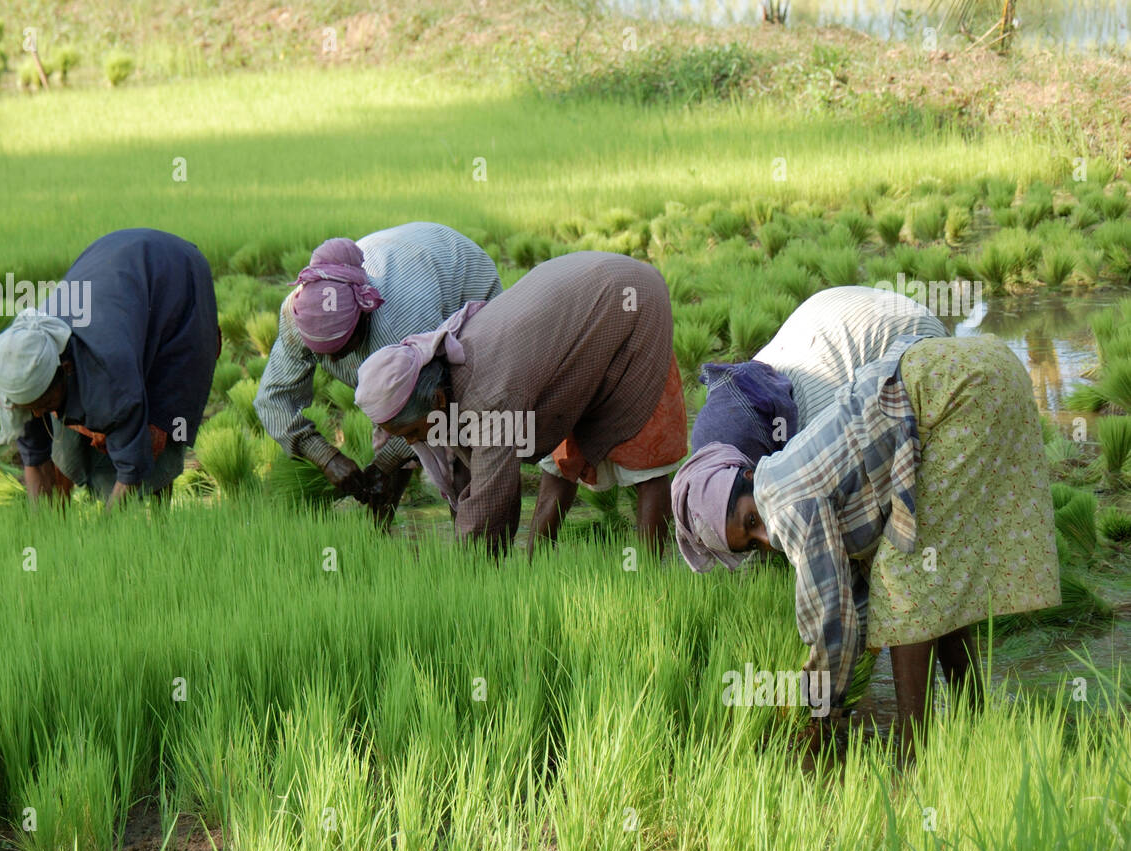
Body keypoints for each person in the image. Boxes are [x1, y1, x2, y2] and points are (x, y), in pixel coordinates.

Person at [671, 334, 1061, 751]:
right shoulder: (787, 470)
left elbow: (832, 622)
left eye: (750, 520)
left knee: (902, 589)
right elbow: (854, 603)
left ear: (748, 476)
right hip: (981, 364)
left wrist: (821, 718)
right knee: (931, 585)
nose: (766, 536)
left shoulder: (785, 501)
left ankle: (914, 762)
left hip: (959, 388)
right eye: (751, 543)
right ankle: (977, 724)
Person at [354, 251, 679, 556]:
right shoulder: (445, 372)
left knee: (643, 460)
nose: (412, 442)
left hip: (631, 301)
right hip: (577, 311)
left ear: (436, 398)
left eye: (411, 431)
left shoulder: (488, 398)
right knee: (560, 461)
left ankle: (647, 572)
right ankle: (535, 566)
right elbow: (476, 472)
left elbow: (493, 498)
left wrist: (465, 574)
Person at [254, 222, 502, 522]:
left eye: (343, 347)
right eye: (324, 354)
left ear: (364, 313)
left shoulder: (402, 320)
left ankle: (473, 547)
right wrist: (325, 456)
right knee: (392, 435)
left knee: (465, 439)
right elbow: (273, 399)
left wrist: (387, 459)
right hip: (402, 272)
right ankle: (379, 535)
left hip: (461, 282)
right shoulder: (300, 314)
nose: (334, 359)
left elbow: (435, 411)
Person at [0, 229, 219, 507]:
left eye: (43, 401)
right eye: (28, 406)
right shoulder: (20, 367)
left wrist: (103, 535)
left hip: (175, 285)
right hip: (110, 271)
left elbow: (131, 469)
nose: (36, 412)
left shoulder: (108, 373)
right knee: (63, 443)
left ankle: (160, 527)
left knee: (157, 432)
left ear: (66, 368)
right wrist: (41, 533)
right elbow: (34, 458)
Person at [689, 285, 949, 465]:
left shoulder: (820, 422)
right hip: (847, 312)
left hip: (910, 334)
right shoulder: (751, 384)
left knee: (915, 459)